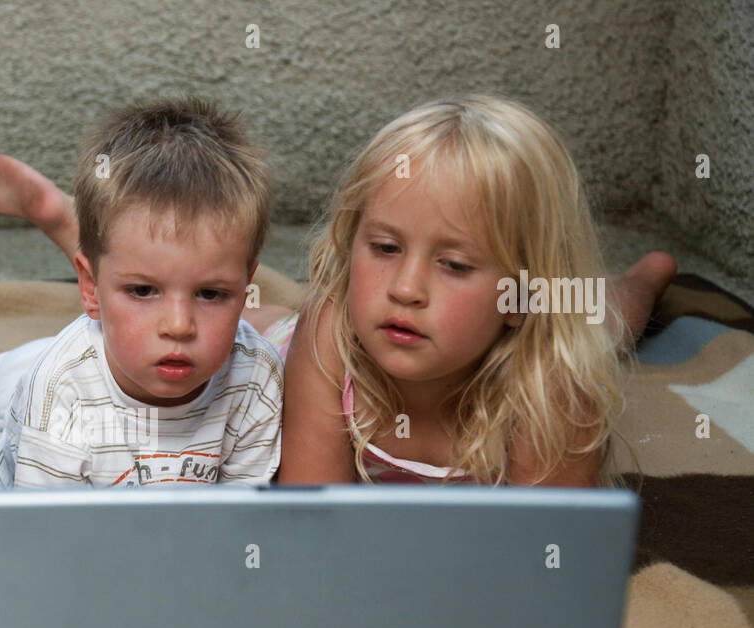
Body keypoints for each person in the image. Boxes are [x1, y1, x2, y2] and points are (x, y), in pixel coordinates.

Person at [273, 95, 677, 485]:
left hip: (541, 335)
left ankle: (644, 278)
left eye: (454, 265)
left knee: (602, 320)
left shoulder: (551, 381)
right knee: (254, 317)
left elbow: (547, 543)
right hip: (287, 334)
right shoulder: (328, 334)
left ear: (523, 294)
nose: (406, 289)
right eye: (385, 247)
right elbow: (315, 516)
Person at [0, 99, 289, 488]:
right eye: (144, 290)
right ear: (90, 286)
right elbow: (49, 540)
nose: (179, 326)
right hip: (31, 383)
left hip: (106, 347)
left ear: (247, 287)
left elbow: (244, 519)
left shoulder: (256, 377)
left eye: (211, 294)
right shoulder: (58, 396)